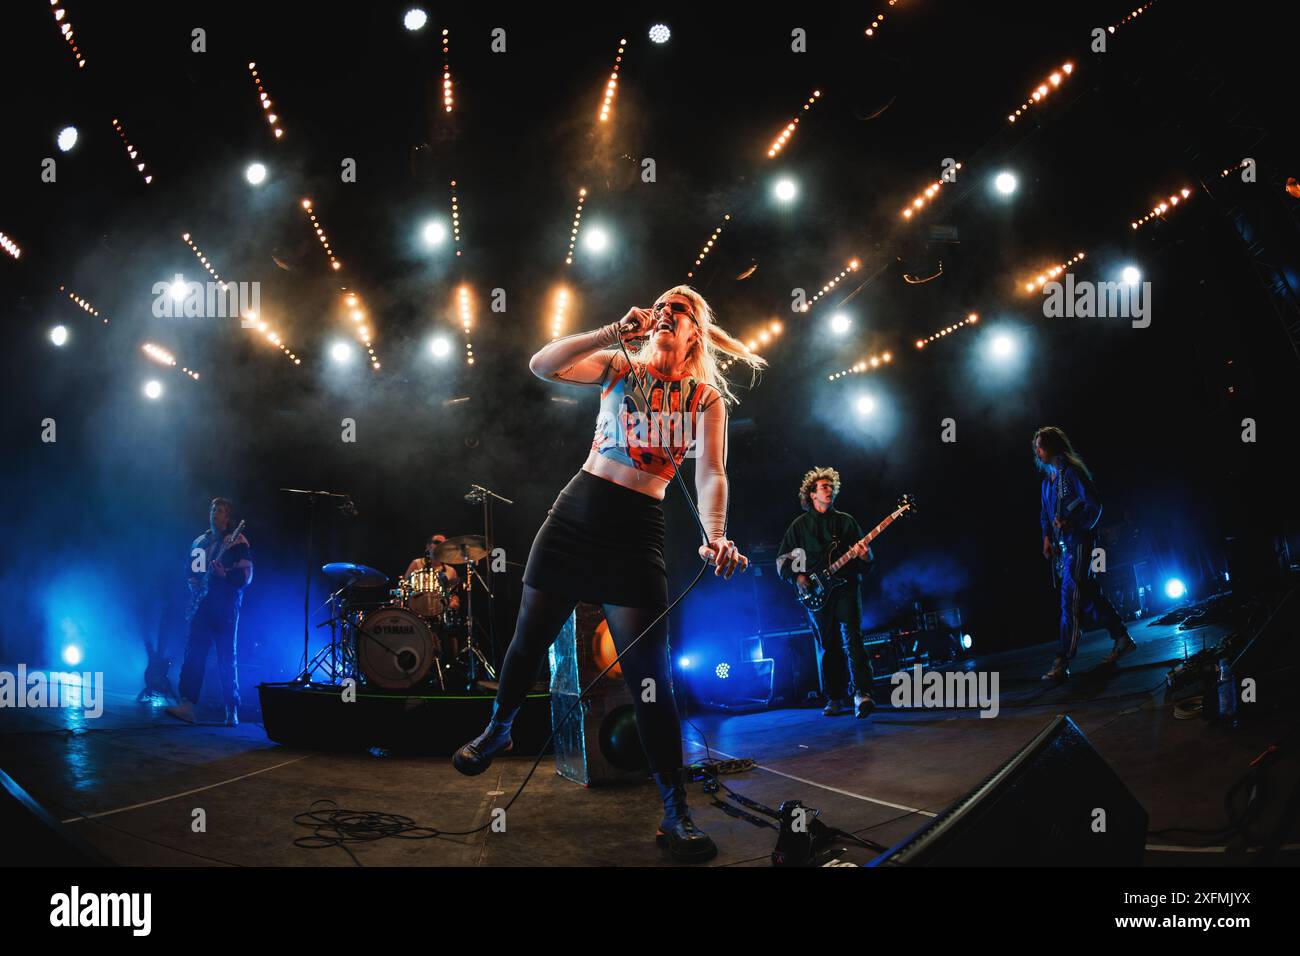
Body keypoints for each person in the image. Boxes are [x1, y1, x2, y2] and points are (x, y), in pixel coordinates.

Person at [451, 285, 764, 863]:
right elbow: (541, 363)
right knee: (528, 639)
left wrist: (714, 535)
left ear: (695, 329)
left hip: (636, 534)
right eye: (662, 305)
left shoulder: (704, 399)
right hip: (577, 514)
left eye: (681, 309)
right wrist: (611, 331)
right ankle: (500, 726)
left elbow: (712, 473)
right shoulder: (619, 364)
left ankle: (675, 812)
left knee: (651, 677)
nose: (667, 313)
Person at [1034, 426, 1136, 680]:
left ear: (1053, 447)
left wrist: (1074, 525)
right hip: (1065, 549)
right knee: (1089, 597)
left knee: (1069, 599)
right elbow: (1045, 515)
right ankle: (1122, 637)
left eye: (1041, 446)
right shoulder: (1048, 483)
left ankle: (1063, 659)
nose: (1038, 451)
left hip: (1080, 543)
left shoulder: (1072, 473)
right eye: (1036, 447)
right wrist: (1047, 538)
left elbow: (1095, 506)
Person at [777, 467, 877, 718]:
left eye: (831, 487)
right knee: (829, 644)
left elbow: (867, 561)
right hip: (816, 595)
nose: (829, 490)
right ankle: (835, 696)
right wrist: (798, 577)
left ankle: (863, 694)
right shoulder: (799, 527)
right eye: (823, 487)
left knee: (853, 637)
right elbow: (781, 561)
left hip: (846, 587)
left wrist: (866, 555)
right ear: (811, 494)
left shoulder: (845, 521)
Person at [167, 498, 252, 726]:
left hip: (225, 606)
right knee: (194, 653)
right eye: (214, 509)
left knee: (226, 657)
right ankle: (188, 704)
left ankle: (231, 708)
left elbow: (246, 576)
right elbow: (192, 571)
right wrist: (193, 582)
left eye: (221, 511)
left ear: (227, 518)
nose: (216, 513)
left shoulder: (237, 542)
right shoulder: (200, 542)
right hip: (202, 607)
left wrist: (225, 575)